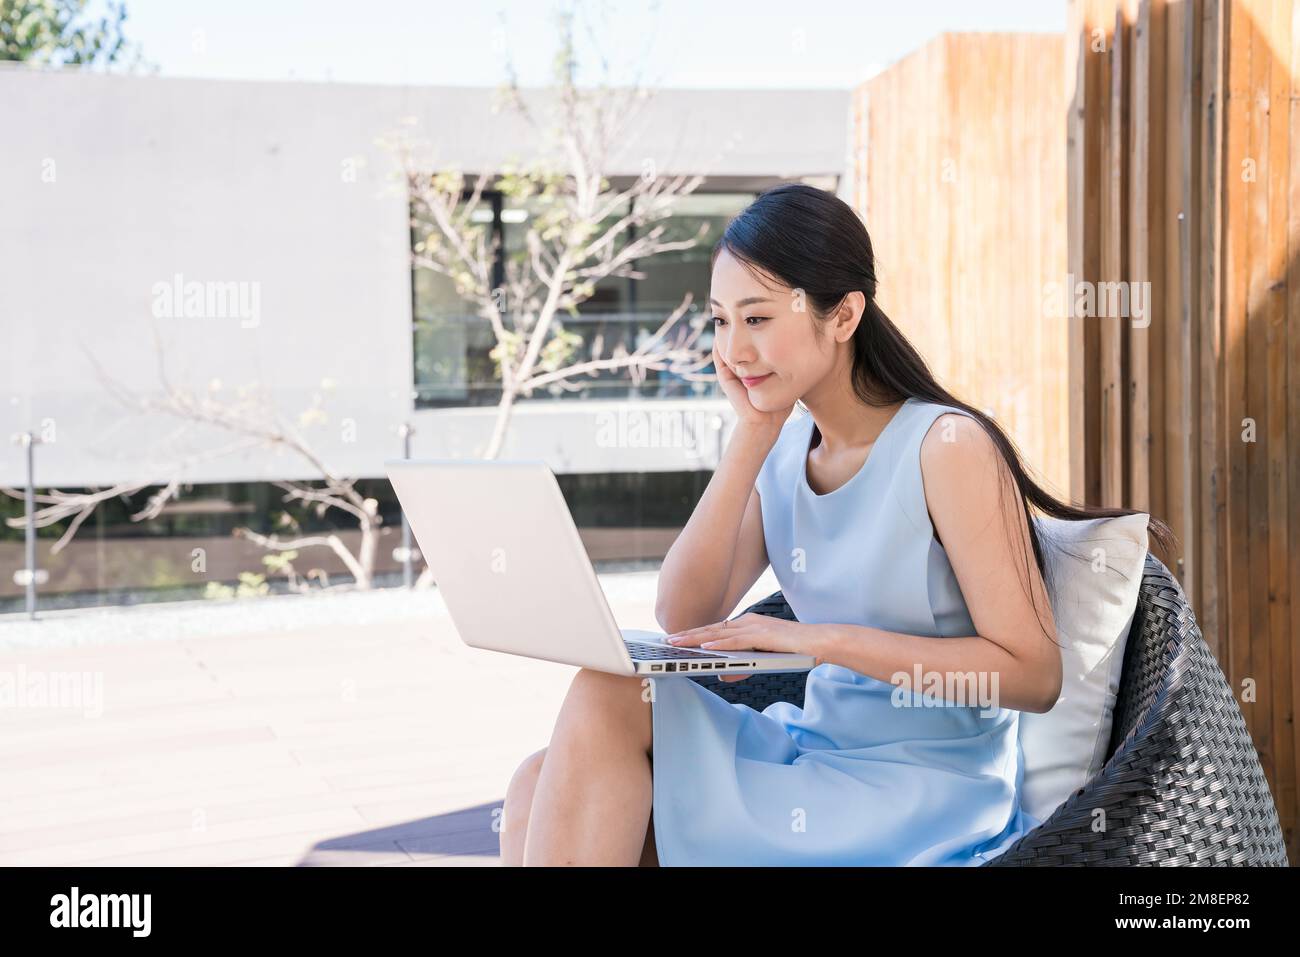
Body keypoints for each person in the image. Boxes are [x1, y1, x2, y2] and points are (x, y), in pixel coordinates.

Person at [499, 182, 1173, 866]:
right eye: (720, 321)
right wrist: (753, 434)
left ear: (844, 314)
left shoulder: (946, 448)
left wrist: (821, 640)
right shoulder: (786, 450)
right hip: (814, 756)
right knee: (540, 775)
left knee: (595, 715)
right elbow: (683, 612)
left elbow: (1034, 674)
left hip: (923, 793)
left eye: (757, 319)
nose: (733, 349)